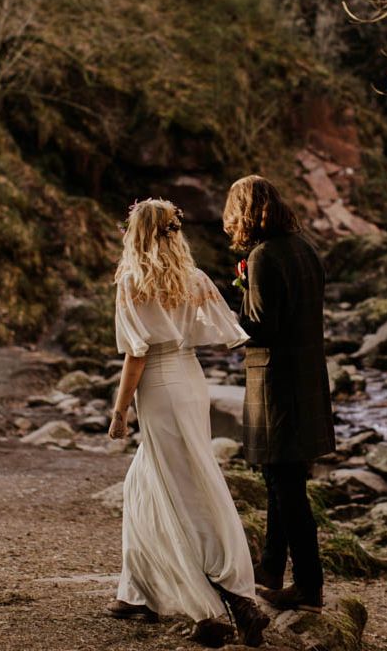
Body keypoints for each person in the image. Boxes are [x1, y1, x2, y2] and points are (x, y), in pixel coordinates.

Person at [107, 198, 269, 647]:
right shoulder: (192, 278)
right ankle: (135, 591)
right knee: (146, 482)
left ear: (136, 234)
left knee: (182, 488)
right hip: (192, 381)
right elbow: (223, 333)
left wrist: (120, 411)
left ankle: (219, 606)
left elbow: (136, 354)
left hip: (157, 386)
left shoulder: (132, 281)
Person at [223, 176, 336, 613]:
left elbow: (260, 327)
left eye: (233, 212)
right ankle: (270, 569)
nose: (229, 221)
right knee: (280, 480)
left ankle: (309, 587)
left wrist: (226, 311)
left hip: (276, 383)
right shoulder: (305, 248)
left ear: (246, 211)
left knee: (287, 488)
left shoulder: (264, 256)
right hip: (306, 377)